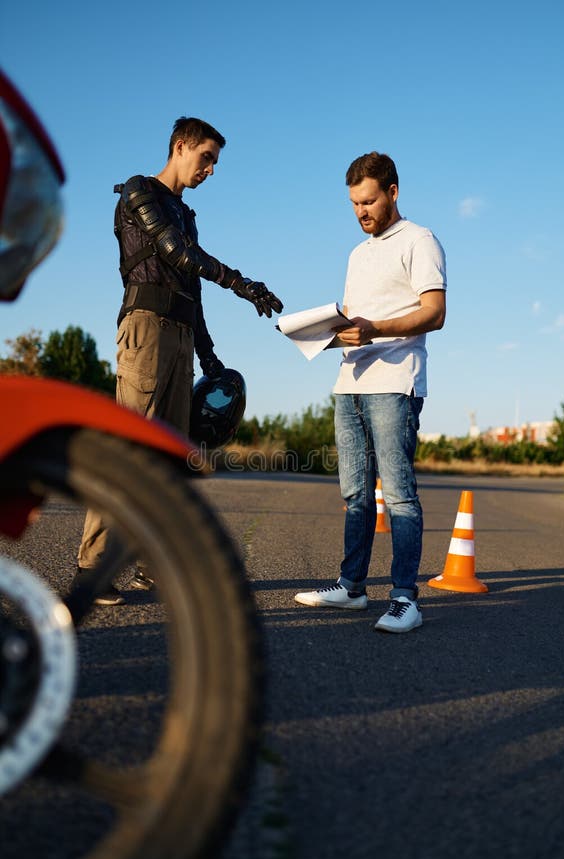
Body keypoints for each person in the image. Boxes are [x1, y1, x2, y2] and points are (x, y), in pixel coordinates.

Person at [73, 116, 283, 604]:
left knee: (171, 456)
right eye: (206, 157)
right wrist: (241, 282)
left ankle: (150, 566)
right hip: (145, 328)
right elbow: (176, 253)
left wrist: (210, 359)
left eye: (215, 161)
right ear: (181, 145)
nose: (211, 169)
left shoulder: (187, 214)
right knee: (129, 448)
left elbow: (191, 291)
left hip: (183, 335)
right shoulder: (138, 191)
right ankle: (92, 569)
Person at [295, 152, 446, 633]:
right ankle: (351, 587)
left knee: (399, 495)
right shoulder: (357, 254)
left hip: (395, 383)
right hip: (349, 384)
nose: (361, 211)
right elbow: (356, 322)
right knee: (355, 494)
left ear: (393, 192)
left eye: (369, 201)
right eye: (354, 203)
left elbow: (435, 312)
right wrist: (328, 334)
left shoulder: (420, 240)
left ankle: (405, 598)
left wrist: (375, 328)